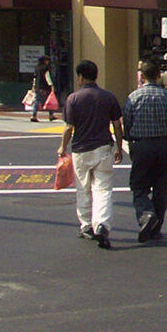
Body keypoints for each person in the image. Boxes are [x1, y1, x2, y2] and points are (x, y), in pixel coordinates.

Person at [122, 58, 167, 243]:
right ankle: (156, 227)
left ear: (143, 76)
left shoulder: (133, 97)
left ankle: (146, 214)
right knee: (162, 189)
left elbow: (127, 125)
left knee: (139, 186)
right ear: (159, 76)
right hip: (164, 146)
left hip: (142, 146)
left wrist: (130, 143)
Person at [58, 60, 125, 249]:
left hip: (81, 150)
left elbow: (69, 128)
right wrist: (119, 147)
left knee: (84, 188)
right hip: (104, 148)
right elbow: (117, 125)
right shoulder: (108, 97)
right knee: (103, 189)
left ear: (80, 76)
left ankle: (86, 225)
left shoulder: (73, 99)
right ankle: (102, 225)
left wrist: (63, 147)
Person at [29, 55, 58, 123]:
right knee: (49, 101)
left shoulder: (37, 68)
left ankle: (34, 115)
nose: (48, 62)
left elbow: (35, 77)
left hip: (37, 87)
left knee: (36, 101)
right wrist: (51, 85)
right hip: (45, 87)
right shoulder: (46, 68)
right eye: (47, 60)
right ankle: (51, 115)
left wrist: (33, 85)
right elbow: (47, 77)